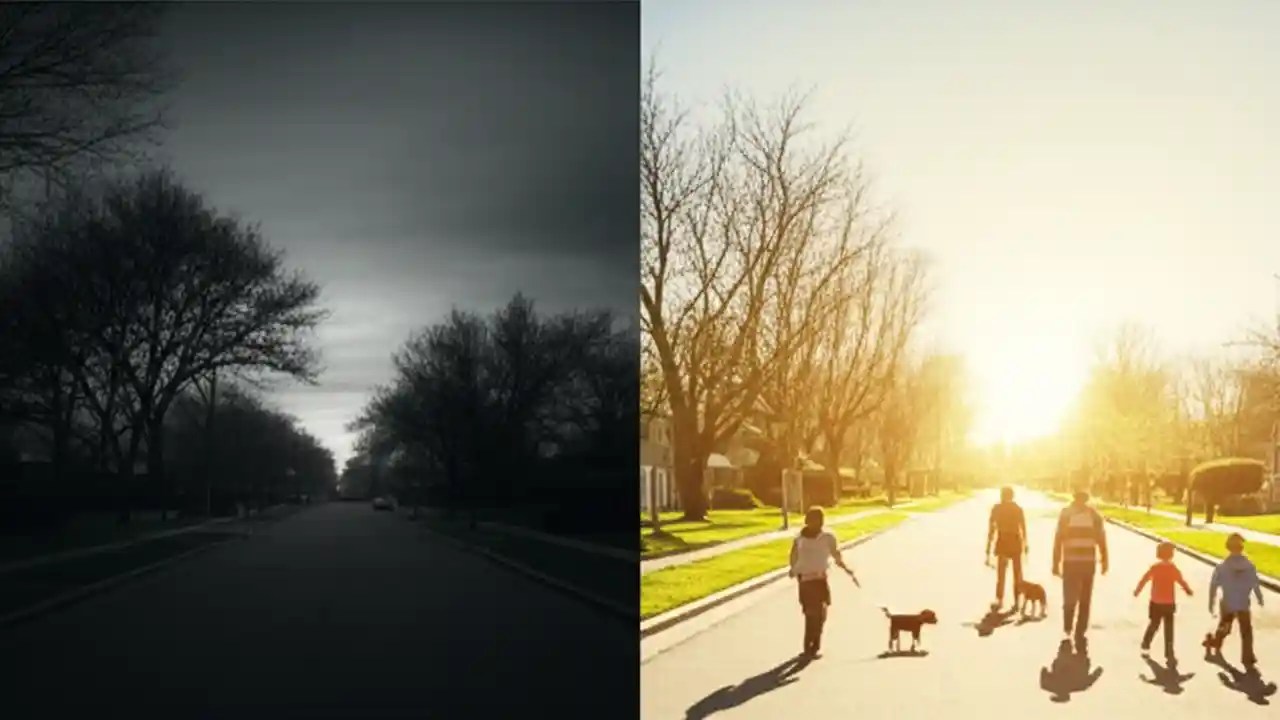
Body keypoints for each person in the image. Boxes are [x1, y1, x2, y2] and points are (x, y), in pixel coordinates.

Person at [789, 506, 858, 658]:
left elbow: (836, 555)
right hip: (805, 580)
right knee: (810, 614)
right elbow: (793, 555)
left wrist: (847, 569)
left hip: (820, 579)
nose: (817, 523)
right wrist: (793, 569)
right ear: (807, 521)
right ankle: (809, 647)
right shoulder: (799, 538)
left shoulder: (828, 537)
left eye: (820, 520)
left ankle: (816, 643)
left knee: (821, 614)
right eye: (813, 520)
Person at [1052, 489, 1108, 646]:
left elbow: (1059, 538)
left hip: (1070, 561)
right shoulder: (1094, 515)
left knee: (1069, 595)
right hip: (1088, 561)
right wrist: (1104, 560)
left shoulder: (1066, 514)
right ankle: (1080, 630)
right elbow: (1101, 539)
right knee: (1085, 598)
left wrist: (1055, 562)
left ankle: (1068, 627)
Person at [1206, 532, 1264, 668]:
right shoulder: (1249, 565)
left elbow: (1213, 585)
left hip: (1227, 603)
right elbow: (1255, 583)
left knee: (1225, 627)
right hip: (1243, 603)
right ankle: (1247, 656)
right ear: (1242, 547)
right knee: (1246, 631)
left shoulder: (1221, 567)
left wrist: (1211, 602)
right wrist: (1259, 597)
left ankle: (1216, 641)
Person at [1133, 541, 1193, 660]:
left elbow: (1144, 579)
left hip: (1156, 602)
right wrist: (1188, 590)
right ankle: (1169, 650)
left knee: (1154, 624)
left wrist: (1137, 590)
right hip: (1169, 602)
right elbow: (1181, 581)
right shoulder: (1173, 568)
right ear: (1171, 554)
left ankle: (1146, 643)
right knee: (1169, 627)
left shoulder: (1155, 568)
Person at [986, 486, 1028, 610]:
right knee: (1017, 573)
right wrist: (1025, 544)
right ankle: (1017, 600)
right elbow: (1023, 527)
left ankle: (1000, 599)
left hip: (1003, 540)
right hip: (1015, 541)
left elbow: (991, 527)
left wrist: (988, 545)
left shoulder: (997, 508)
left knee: (1001, 572)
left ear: (1002, 495)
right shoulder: (1018, 509)